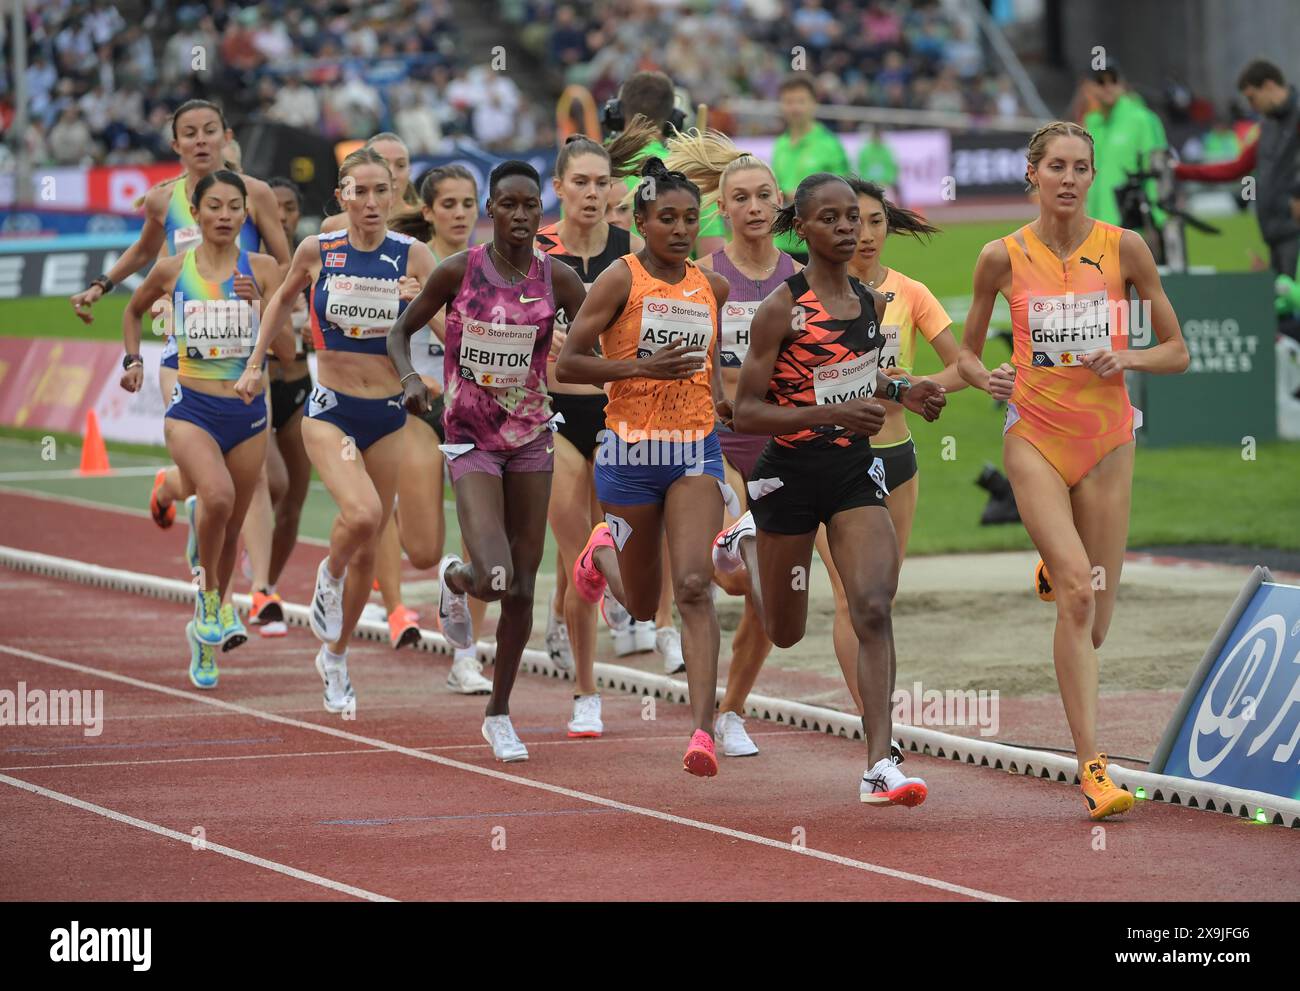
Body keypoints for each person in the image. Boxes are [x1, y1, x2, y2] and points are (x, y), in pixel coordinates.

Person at [957, 121, 1189, 820]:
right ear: (1033, 173)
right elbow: (967, 355)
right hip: (1034, 436)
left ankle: (1058, 564)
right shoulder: (1000, 256)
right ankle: (1093, 766)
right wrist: (987, 375)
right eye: (1055, 165)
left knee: (1097, 622)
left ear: (1092, 176)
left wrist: (1131, 358)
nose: (1068, 178)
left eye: (1080, 167)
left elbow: (1176, 349)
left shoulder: (1126, 249)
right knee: (1078, 599)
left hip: (1109, 440)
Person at [713, 173, 946, 807]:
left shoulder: (869, 303)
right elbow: (747, 411)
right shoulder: (780, 309)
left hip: (851, 472)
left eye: (856, 218)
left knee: (872, 603)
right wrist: (829, 416)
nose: (848, 229)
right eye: (832, 219)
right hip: (785, 474)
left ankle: (879, 762)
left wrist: (906, 391)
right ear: (803, 228)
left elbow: (860, 380)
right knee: (784, 630)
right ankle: (747, 540)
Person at [388, 160, 586, 762]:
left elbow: (599, 337)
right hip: (470, 437)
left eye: (531, 205)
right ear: (490, 210)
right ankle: (456, 579)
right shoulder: (459, 271)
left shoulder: (561, 280)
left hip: (531, 438)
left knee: (523, 586)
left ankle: (499, 713)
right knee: (493, 577)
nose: (521, 216)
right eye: (509, 205)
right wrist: (409, 378)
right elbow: (399, 332)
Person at [235, 147, 436, 715]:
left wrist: (419, 301)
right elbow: (279, 302)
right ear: (342, 197)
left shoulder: (412, 254)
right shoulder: (317, 249)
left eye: (380, 192)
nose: (371, 203)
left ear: (392, 199)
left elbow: (448, 324)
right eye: (359, 192)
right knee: (366, 514)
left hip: (389, 413)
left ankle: (337, 656)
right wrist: (255, 363)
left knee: (369, 548)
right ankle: (327, 573)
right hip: (331, 408)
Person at [557, 158, 734, 777]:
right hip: (629, 453)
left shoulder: (712, 287)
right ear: (640, 222)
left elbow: (712, 363)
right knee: (637, 602)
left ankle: (702, 733)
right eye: (667, 219)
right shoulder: (617, 280)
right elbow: (568, 365)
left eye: (690, 218)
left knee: (691, 586)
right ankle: (597, 552)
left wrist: (722, 399)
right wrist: (637, 369)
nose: (681, 229)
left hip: (694, 450)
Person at [70, 99, 290, 531]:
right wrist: (101, 285)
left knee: (258, 477)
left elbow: (285, 266)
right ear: (175, 144)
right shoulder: (162, 200)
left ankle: (178, 494)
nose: (201, 140)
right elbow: (144, 251)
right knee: (215, 478)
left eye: (210, 130)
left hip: (245, 344)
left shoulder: (255, 193)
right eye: (190, 133)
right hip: (185, 344)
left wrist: (262, 301)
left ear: (227, 137)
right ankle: (224, 569)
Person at [120, 170, 285, 688]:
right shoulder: (173, 269)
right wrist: (132, 361)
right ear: (196, 209)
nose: (224, 216)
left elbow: (288, 352)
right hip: (191, 408)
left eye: (234, 207)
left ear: (246, 213)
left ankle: (205, 632)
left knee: (233, 524)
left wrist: (257, 305)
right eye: (213, 206)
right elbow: (131, 310)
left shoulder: (263, 270)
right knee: (214, 497)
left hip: (249, 414)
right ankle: (211, 597)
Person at [666, 128, 800, 757]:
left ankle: (731, 710)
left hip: (782, 440)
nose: (752, 207)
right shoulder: (703, 276)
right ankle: (728, 535)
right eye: (740, 197)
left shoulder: (799, 279)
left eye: (762, 196)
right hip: (716, 437)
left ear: (779, 203)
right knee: (741, 578)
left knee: (768, 595)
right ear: (721, 207)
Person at [813, 178, 965, 714]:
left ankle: (879, 725)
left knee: (881, 599)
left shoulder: (912, 292)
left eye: (878, 221)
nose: (867, 233)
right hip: (832, 459)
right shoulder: (811, 294)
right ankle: (877, 727)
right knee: (849, 597)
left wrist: (915, 385)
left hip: (896, 457)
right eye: (856, 221)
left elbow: (961, 367)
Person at [537, 135, 648, 735]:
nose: (591, 193)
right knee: (584, 545)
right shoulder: (531, 252)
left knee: (603, 549)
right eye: (579, 182)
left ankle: (568, 615)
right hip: (551, 415)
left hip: (620, 418)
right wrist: (538, 342)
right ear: (558, 188)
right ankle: (586, 692)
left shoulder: (633, 253)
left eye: (601, 182)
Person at [375, 164, 495, 693]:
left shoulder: (496, 266)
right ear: (428, 212)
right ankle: (437, 566)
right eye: (448, 205)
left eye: (468, 204)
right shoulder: (401, 262)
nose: (460, 214)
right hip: (420, 410)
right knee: (424, 551)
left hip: (481, 413)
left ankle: (466, 658)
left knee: (485, 542)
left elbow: (479, 343)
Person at [1173, 59, 1300, 277]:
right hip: (1274, 234)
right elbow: (1236, 168)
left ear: (1269, 86)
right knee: (1280, 306)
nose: (1251, 106)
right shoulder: (1267, 126)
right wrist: (1179, 170)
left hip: (1295, 234)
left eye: (1252, 98)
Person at [257, 176, 314, 636]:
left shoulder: (315, 261)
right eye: (272, 207)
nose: (281, 215)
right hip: (256, 386)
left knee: (294, 498)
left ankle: (268, 588)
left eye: (290, 207)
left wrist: (318, 333)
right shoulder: (251, 264)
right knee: (271, 484)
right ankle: (247, 549)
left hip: (299, 386)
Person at [607, 71, 727, 256]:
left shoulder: (593, 167)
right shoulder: (691, 170)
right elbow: (712, 255)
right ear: (674, 119)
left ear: (616, 113)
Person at [1082, 61, 1168, 231]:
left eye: (1113, 80)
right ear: (1090, 87)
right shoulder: (1091, 123)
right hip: (1096, 223)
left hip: (1134, 225)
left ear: (1122, 84)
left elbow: (1157, 170)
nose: (1108, 86)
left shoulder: (1141, 119)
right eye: (1101, 82)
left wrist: (1159, 218)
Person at [771, 76, 850, 261]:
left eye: (801, 101)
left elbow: (844, 193)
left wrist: (803, 197)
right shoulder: (780, 144)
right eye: (789, 102)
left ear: (814, 104)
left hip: (819, 242)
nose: (795, 107)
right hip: (782, 241)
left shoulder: (829, 144)